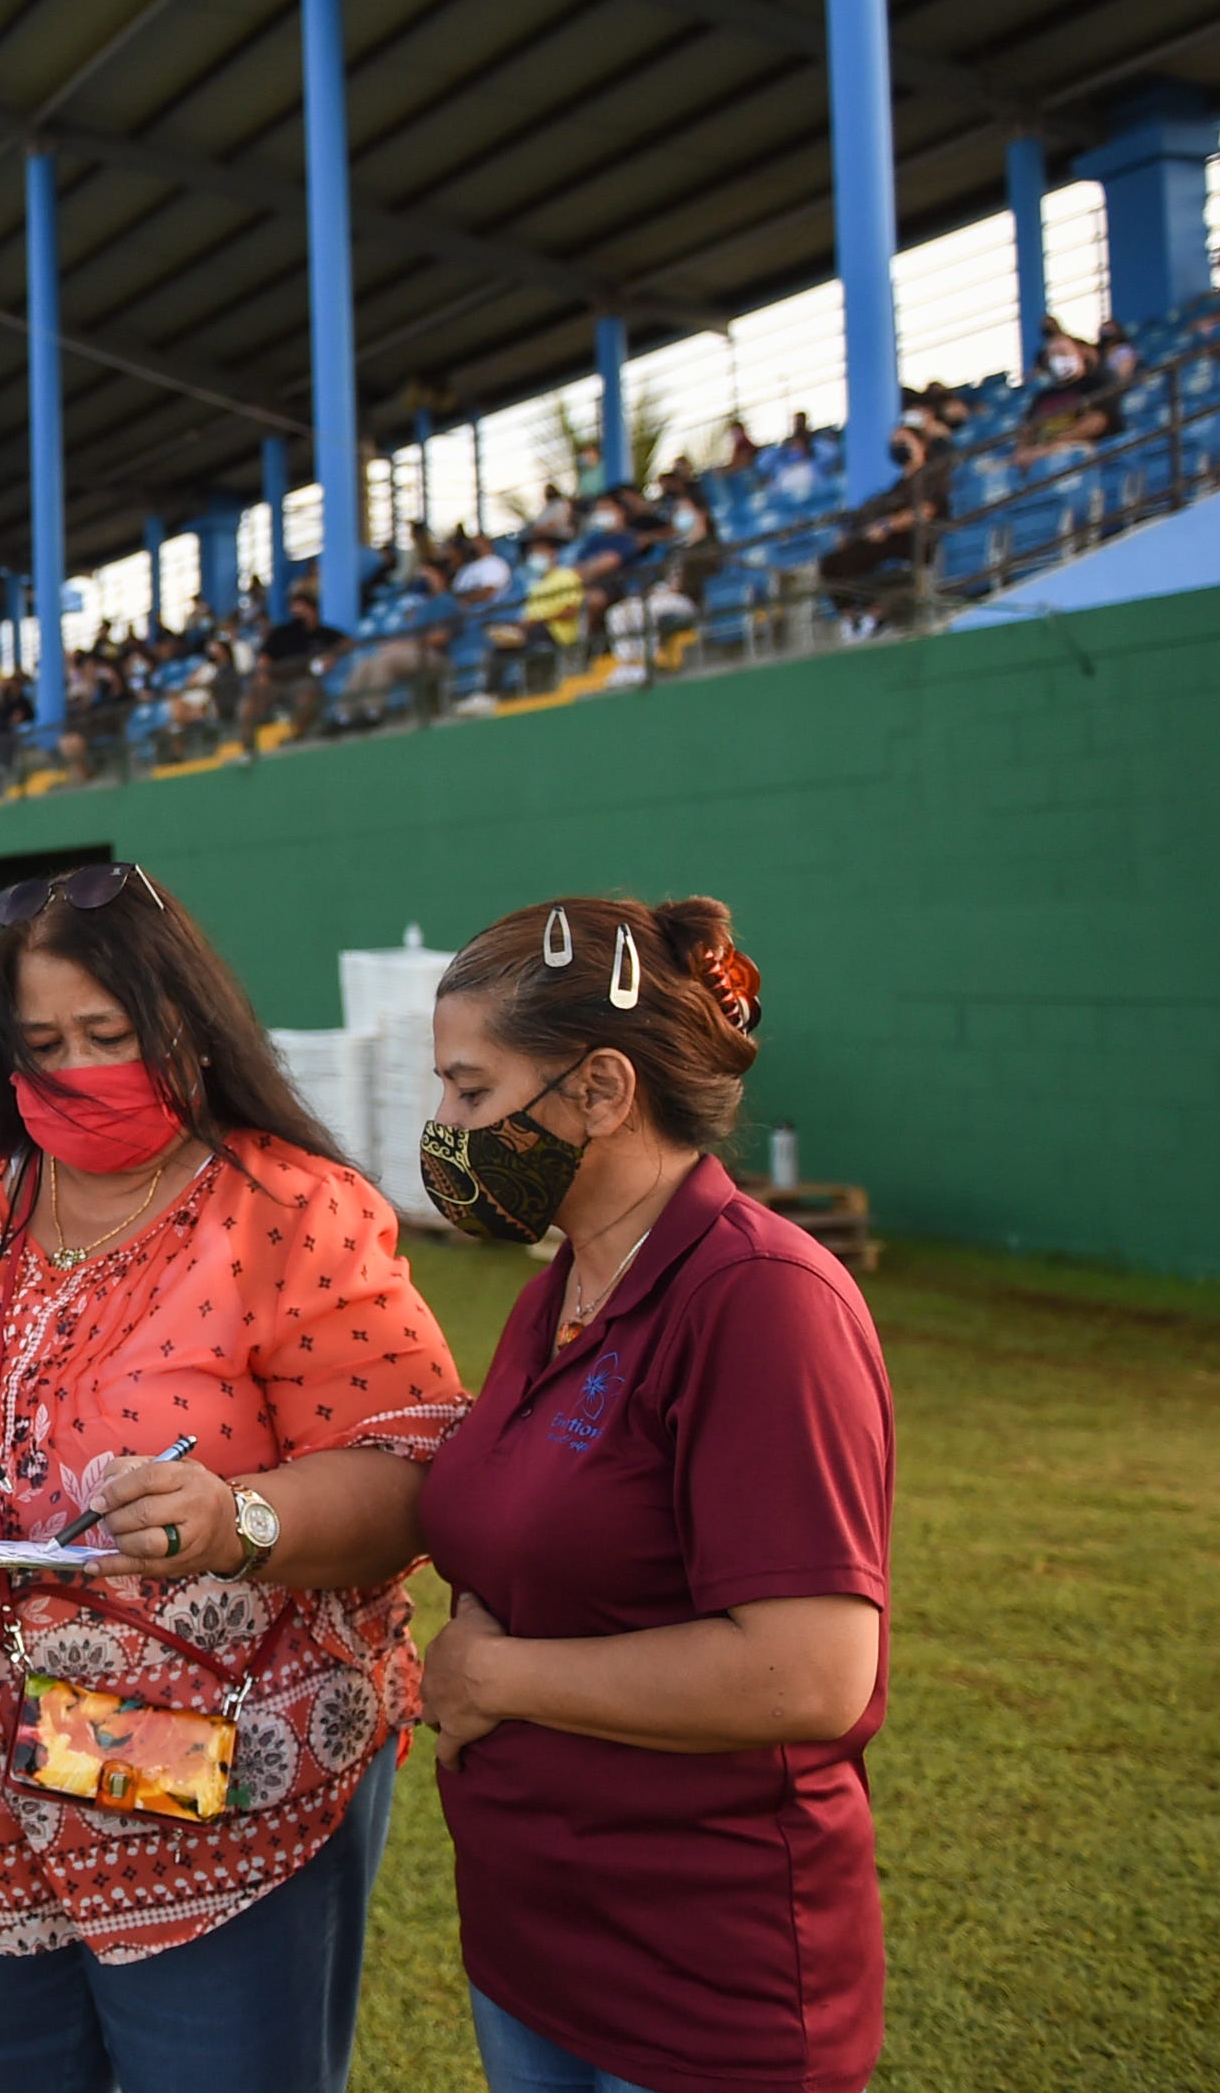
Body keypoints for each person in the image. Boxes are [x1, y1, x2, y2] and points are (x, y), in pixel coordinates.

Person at [0, 864, 468, 2093]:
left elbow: (406, 1461)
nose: (77, 1067)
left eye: (109, 1035)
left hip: (193, 1787)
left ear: (187, 1026)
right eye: (42, 1042)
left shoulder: (292, 1210)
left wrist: (235, 1520)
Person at [412, 896, 891, 2093]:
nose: (444, 1128)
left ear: (602, 1091)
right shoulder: (559, 1289)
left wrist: (498, 1675)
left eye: (471, 1093)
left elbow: (814, 1672)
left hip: (702, 1986)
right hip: (535, 1952)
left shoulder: (763, 1301)